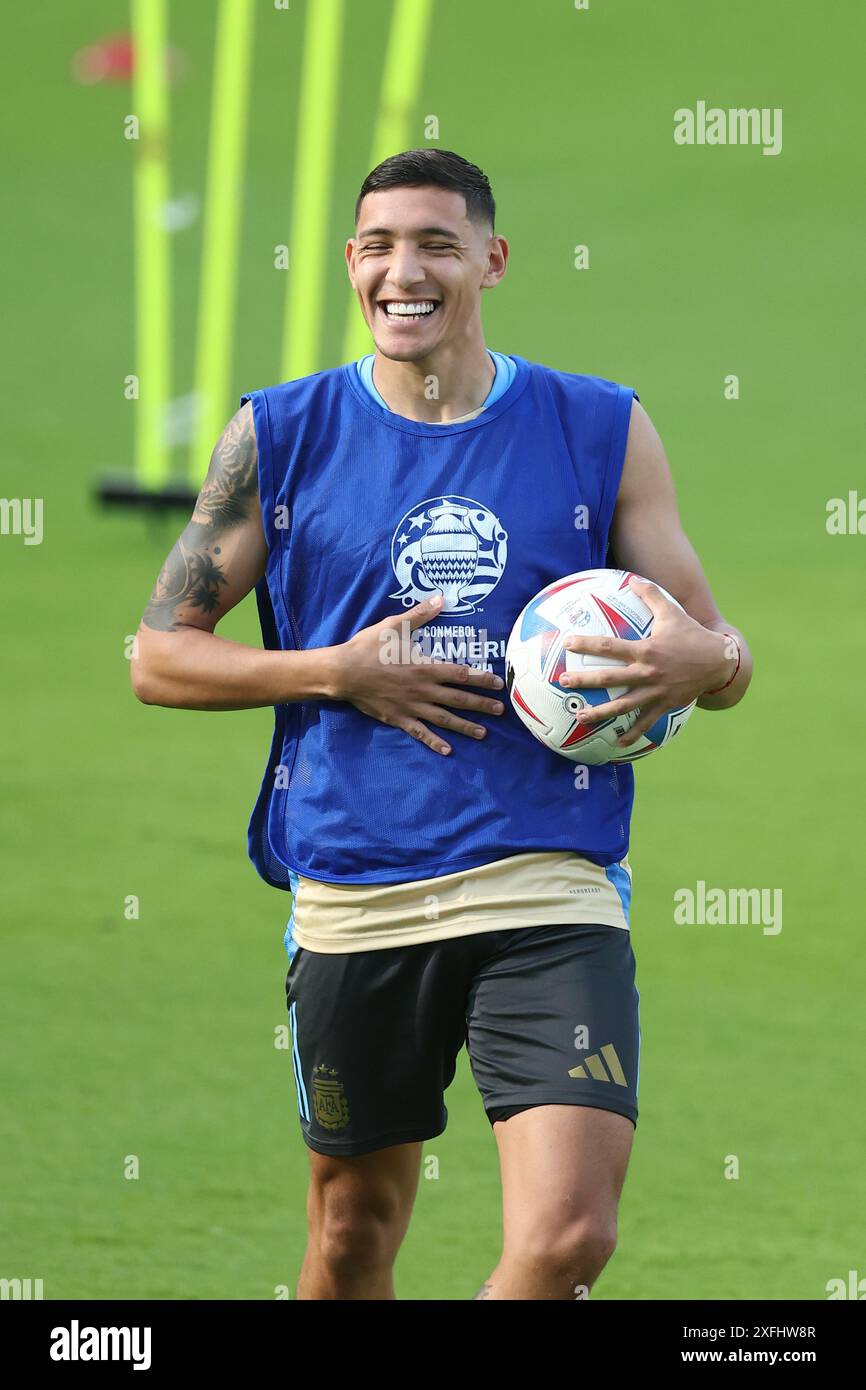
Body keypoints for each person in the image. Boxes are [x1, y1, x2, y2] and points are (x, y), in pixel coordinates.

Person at [132, 148, 752, 1300]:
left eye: (432, 244)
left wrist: (703, 655)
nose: (400, 271)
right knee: (351, 1237)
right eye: (375, 246)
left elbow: (718, 657)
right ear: (351, 267)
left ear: (491, 260)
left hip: (547, 888)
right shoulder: (281, 434)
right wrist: (337, 671)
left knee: (567, 1238)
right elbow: (160, 655)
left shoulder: (597, 425)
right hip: (356, 891)